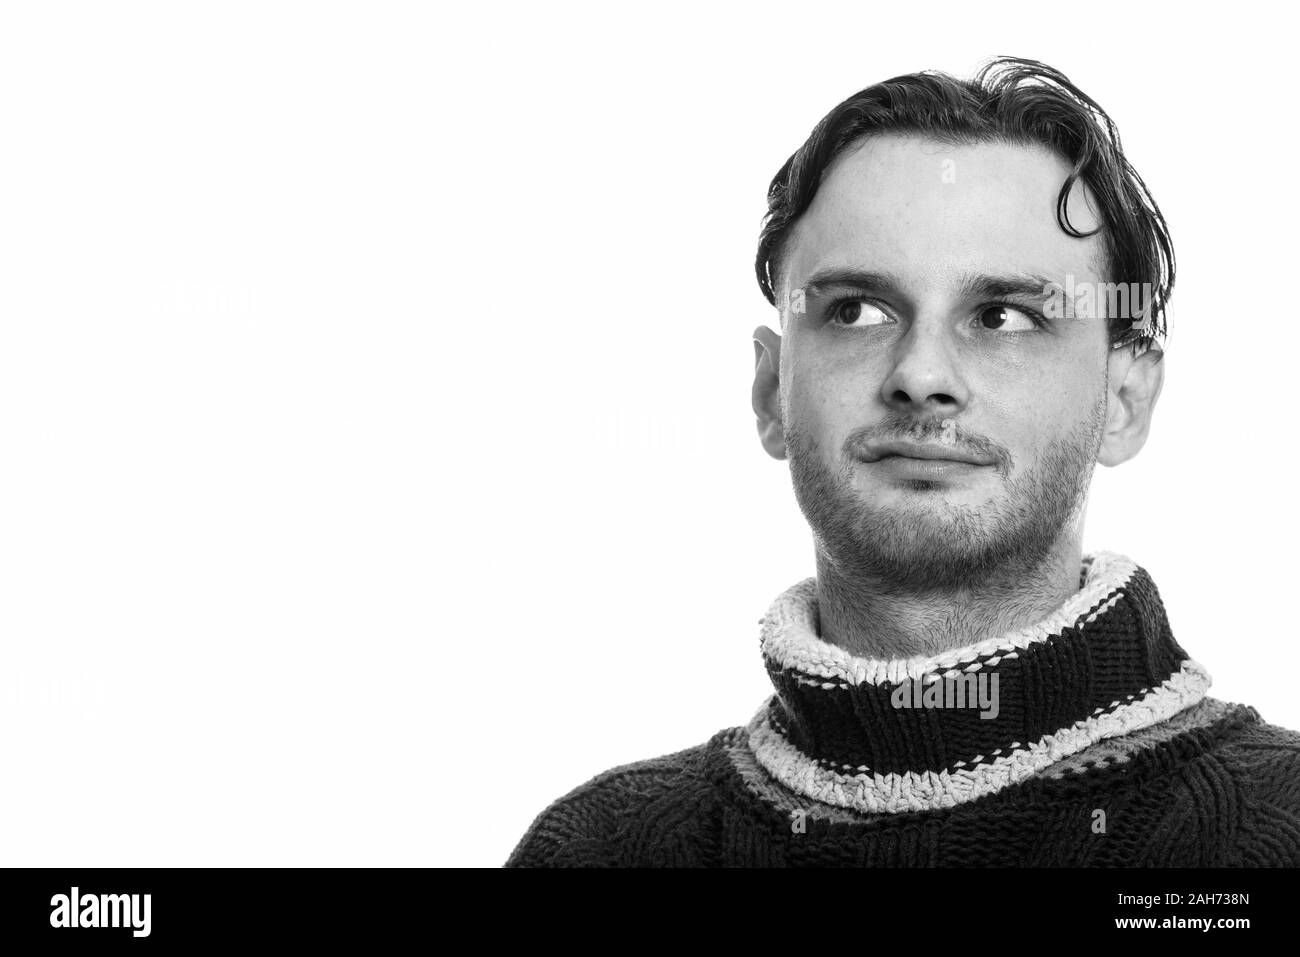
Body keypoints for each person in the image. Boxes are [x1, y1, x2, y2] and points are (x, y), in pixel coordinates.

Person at [505, 57, 1300, 867]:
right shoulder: (602, 850)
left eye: (1003, 316)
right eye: (856, 310)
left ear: (1124, 400)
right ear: (771, 388)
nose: (920, 375)